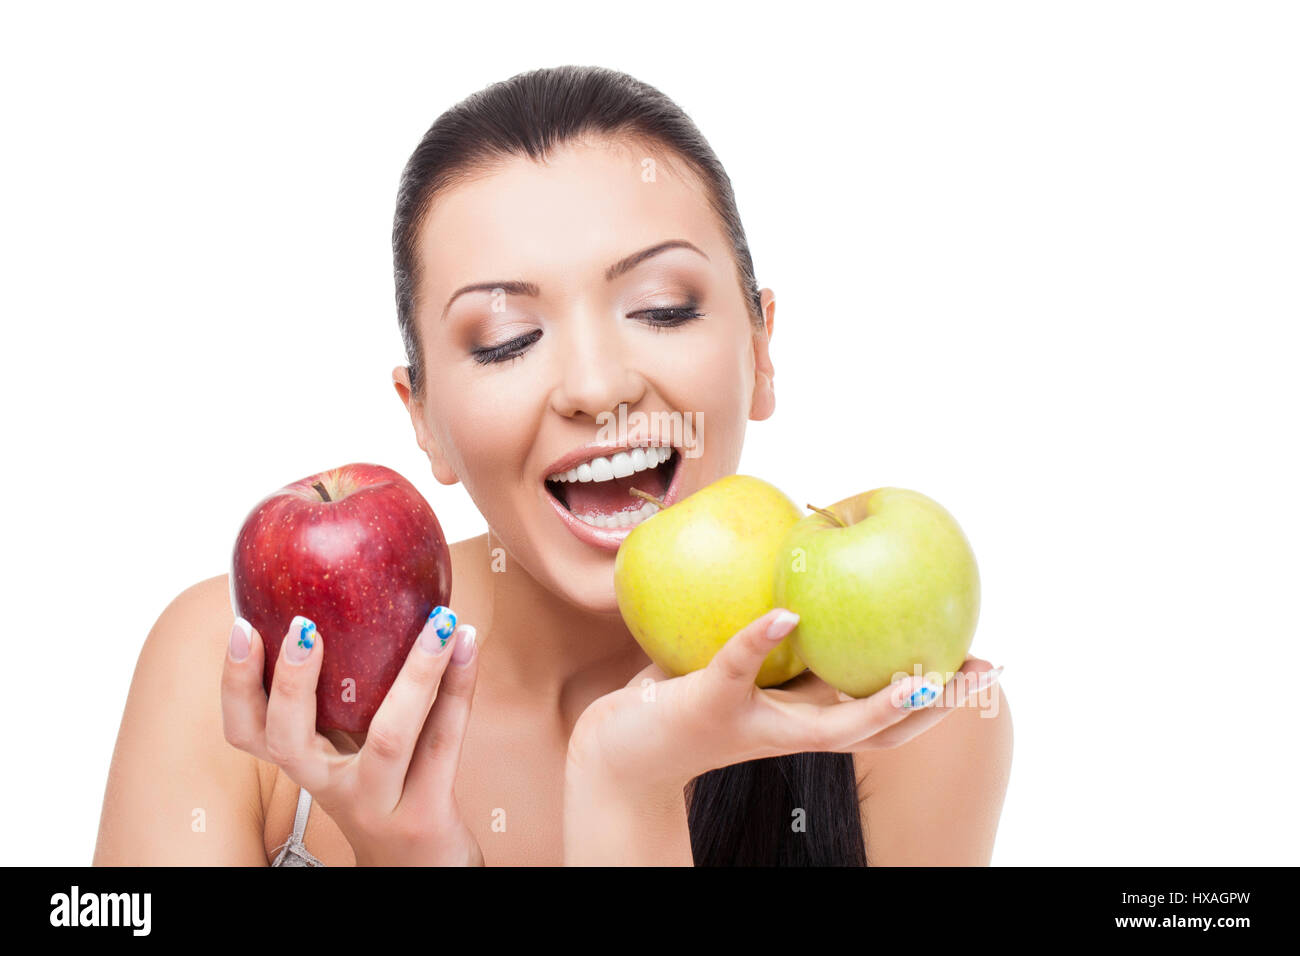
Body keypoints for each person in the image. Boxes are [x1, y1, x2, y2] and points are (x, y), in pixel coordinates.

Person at [94, 65, 1012, 866]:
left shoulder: (895, 715)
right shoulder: (251, 673)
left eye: (660, 308)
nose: (596, 384)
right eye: (505, 340)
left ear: (763, 350)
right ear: (426, 425)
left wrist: (629, 792)